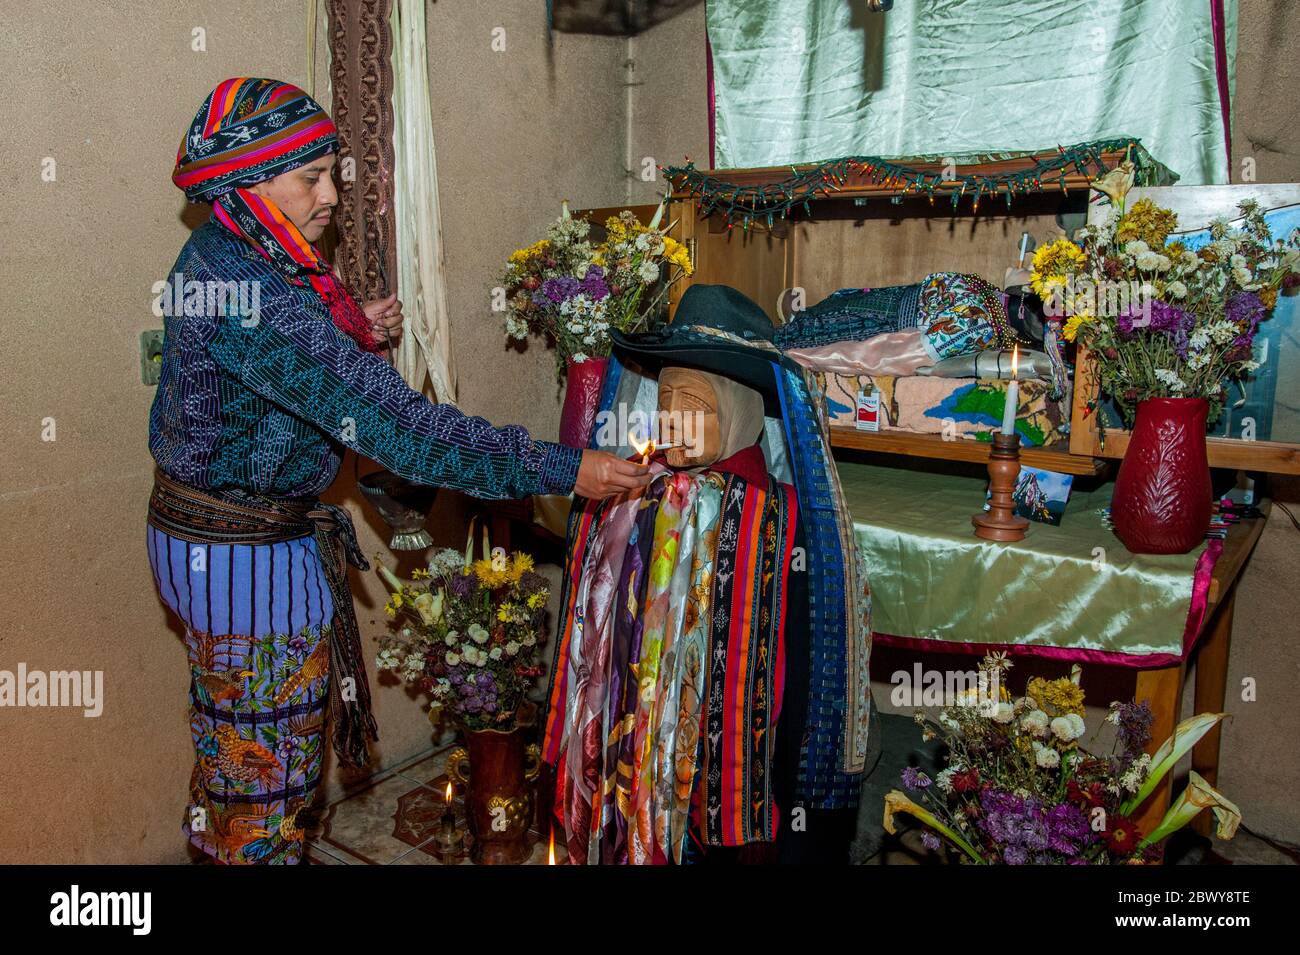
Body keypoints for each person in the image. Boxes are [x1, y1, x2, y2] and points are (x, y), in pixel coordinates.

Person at [145, 77, 647, 864]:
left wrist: (346, 332)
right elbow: (409, 434)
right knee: (266, 782)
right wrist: (564, 466)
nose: (330, 198)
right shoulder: (254, 298)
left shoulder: (226, 250)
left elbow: (285, 359)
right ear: (244, 184)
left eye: (329, 174)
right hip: (246, 562)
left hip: (204, 536)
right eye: (308, 178)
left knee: (233, 746)